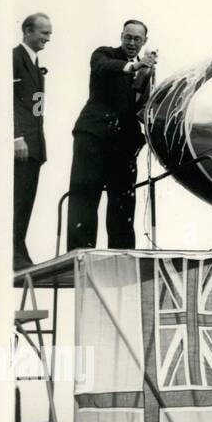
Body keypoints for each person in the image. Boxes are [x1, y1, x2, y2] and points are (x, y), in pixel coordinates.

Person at [66, 20, 156, 251]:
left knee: (123, 203)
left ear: (145, 41)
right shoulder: (104, 54)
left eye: (137, 39)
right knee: (85, 197)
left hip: (123, 143)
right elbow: (103, 67)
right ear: (121, 36)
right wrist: (136, 67)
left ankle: (123, 255)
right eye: (128, 37)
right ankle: (80, 252)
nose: (132, 42)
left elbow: (140, 107)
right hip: (93, 138)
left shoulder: (146, 71)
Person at [13, 13, 52, 270]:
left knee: (26, 200)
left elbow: (36, 108)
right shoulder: (14, 58)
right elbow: (6, 100)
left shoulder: (36, 65)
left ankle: (18, 249)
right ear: (28, 31)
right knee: (16, 199)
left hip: (34, 145)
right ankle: (12, 252)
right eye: (44, 33)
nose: (48, 38)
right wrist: (16, 136)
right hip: (21, 144)